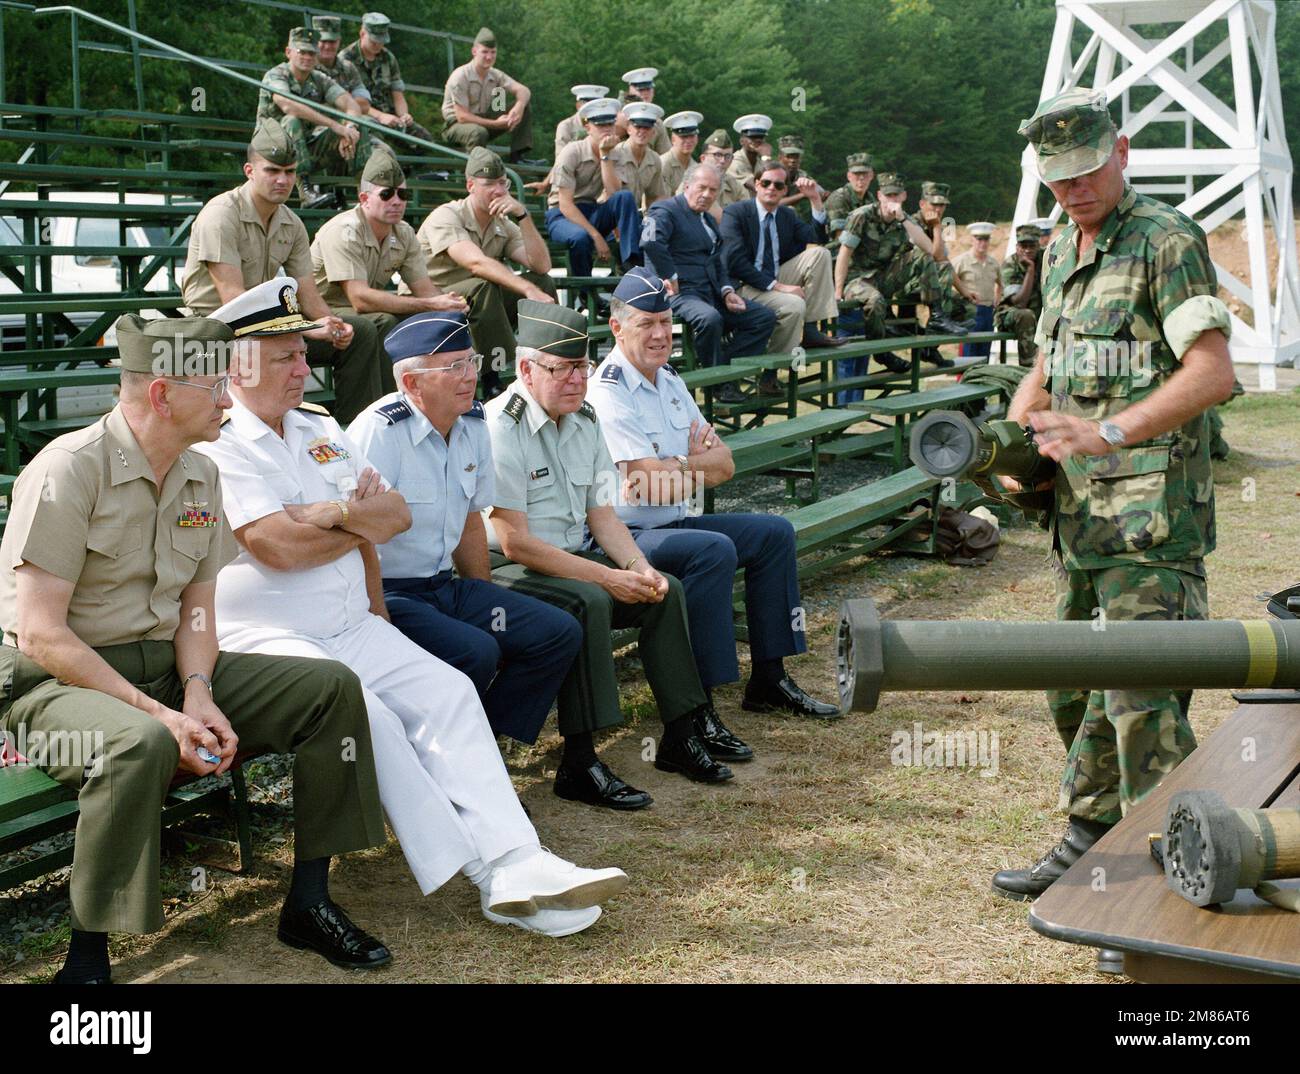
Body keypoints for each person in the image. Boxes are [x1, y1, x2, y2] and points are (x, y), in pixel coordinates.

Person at [197, 279, 629, 938]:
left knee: (449, 690)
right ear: (237, 364)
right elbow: (276, 546)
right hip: (268, 639)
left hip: (351, 622)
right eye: (285, 356)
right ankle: (491, 874)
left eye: (300, 354)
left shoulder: (316, 427)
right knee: (370, 714)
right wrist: (353, 519)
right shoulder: (220, 444)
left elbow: (392, 516)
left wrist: (335, 517)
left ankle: (517, 861)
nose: (303, 368)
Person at [0, 314, 393, 981]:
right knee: (139, 743)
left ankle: (308, 900)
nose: (224, 397)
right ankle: (87, 960)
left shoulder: (200, 474)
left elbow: (199, 612)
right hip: (56, 685)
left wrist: (199, 691)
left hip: (165, 669)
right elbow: (41, 632)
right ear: (160, 394)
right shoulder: (69, 470)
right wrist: (161, 715)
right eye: (213, 383)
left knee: (327, 688)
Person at [993, 88, 1236, 905]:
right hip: (1080, 522)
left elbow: (1212, 372)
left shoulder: (1167, 241)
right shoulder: (1061, 247)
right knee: (1074, 688)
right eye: (1059, 180)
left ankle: (1159, 889)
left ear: (1121, 151)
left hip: (1152, 522)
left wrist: (1111, 432)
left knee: (1144, 707)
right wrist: (1017, 428)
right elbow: (1048, 363)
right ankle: (1092, 835)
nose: (1075, 190)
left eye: (1088, 172)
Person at [485, 302, 739, 809]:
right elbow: (514, 541)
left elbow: (602, 516)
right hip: (508, 571)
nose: (578, 380)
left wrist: (638, 569)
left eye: (582, 366)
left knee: (665, 592)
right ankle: (579, 761)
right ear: (525, 370)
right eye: (562, 369)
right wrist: (606, 578)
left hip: (571, 558)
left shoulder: (584, 419)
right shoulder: (500, 426)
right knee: (591, 601)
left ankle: (681, 734)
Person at [589, 268, 840, 720]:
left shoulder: (668, 379)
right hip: (625, 537)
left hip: (672, 521)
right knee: (712, 549)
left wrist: (678, 466)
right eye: (646, 323)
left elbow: (724, 464)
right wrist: (682, 467)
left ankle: (769, 678)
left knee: (774, 533)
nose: (660, 333)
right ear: (617, 327)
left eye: (666, 322)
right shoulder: (609, 391)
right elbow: (646, 483)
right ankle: (699, 701)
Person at [347, 311, 582, 746]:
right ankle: (447, 761)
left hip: (444, 588)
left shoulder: (472, 423)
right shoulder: (381, 430)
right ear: (413, 384)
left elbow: (472, 519)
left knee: (556, 632)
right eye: (453, 366)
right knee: (476, 650)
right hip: (391, 593)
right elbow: (357, 535)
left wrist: (484, 597)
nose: (469, 375)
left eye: (471, 362)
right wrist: (376, 615)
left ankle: (483, 752)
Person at [181, 118, 386, 424]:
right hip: (216, 329)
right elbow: (233, 302)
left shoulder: (291, 222)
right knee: (273, 350)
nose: (282, 179)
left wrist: (330, 325)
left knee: (362, 332)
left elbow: (308, 294)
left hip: (268, 329)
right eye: (272, 171)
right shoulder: (221, 215)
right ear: (250, 171)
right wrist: (305, 329)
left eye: (289, 172)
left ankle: (354, 429)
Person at [311, 150, 468, 403]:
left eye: (402, 194)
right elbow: (360, 298)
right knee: (383, 321)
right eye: (386, 194)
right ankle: (380, 406)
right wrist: (431, 304)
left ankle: (446, 393)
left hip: (362, 312)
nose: (396, 201)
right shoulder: (344, 231)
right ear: (364, 198)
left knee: (447, 317)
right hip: (324, 313)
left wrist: (448, 305)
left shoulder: (404, 233)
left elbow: (425, 290)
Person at [414, 146, 556, 398]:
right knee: (486, 285)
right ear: (470, 185)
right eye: (489, 183)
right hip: (434, 299)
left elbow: (541, 265)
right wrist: (526, 288)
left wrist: (523, 216)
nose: (499, 191)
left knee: (541, 281)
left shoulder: (502, 223)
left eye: (503, 183)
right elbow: (475, 264)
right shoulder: (447, 215)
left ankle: (549, 361)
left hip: (478, 303)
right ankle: (494, 379)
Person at [641, 163, 776, 404]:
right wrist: (670, 275)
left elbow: (717, 261)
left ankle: (724, 370)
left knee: (763, 317)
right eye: (701, 187)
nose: (706, 195)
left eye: (713, 190)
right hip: (680, 293)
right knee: (709, 319)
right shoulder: (664, 209)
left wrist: (727, 291)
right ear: (686, 185)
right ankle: (718, 383)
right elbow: (651, 242)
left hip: (711, 292)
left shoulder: (708, 220)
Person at [834, 172, 968, 374]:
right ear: (879, 195)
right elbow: (844, 254)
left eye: (896, 196)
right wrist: (838, 290)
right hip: (857, 279)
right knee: (876, 300)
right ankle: (882, 352)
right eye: (888, 196)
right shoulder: (862, 216)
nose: (892, 200)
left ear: (904, 196)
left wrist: (903, 219)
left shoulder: (903, 220)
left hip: (883, 276)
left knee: (922, 256)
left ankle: (937, 316)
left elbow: (930, 250)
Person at [721, 158, 841, 367]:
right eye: (766, 183)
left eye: (778, 185)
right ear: (756, 184)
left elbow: (817, 237)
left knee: (820, 254)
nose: (771, 188)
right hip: (745, 285)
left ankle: (811, 328)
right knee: (794, 304)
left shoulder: (786, 215)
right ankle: (772, 371)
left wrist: (814, 200)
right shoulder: (736, 212)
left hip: (774, 277)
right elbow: (735, 263)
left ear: (785, 190)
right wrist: (779, 287)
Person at [256, 26, 374, 207]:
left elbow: (351, 105)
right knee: (291, 120)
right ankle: (305, 191)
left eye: (312, 53)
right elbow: (289, 106)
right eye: (302, 51)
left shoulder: (319, 79)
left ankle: (366, 191)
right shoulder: (276, 75)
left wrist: (349, 127)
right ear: (288, 52)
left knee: (360, 125)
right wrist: (336, 126)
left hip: (304, 148)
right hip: (270, 149)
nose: (307, 57)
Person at [544, 97, 644, 277]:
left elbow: (614, 194)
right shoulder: (572, 152)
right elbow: (565, 205)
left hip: (591, 210)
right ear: (587, 127)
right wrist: (597, 236)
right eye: (600, 125)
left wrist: (605, 155)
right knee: (580, 237)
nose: (606, 130)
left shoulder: (616, 151)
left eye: (610, 124)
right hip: (561, 215)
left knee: (625, 197)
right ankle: (585, 293)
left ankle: (631, 265)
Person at [440, 27, 537, 164]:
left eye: (493, 52)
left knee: (525, 105)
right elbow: (462, 117)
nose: (489, 57)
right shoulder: (460, 76)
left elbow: (524, 90)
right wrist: (496, 124)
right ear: (474, 52)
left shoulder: (494, 74)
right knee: (478, 133)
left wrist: (518, 108)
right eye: (484, 52)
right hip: (456, 126)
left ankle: (517, 157)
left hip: (482, 120)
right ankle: (479, 169)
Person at [340, 12, 435, 145]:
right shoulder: (345, 59)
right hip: (363, 115)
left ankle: (408, 166)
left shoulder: (388, 58)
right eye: (374, 41)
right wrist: (380, 116)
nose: (378, 45)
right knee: (375, 137)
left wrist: (404, 115)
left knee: (425, 140)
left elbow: (397, 94)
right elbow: (348, 101)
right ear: (362, 34)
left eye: (382, 41)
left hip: (390, 115)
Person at [526, 84, 609, 197]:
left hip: (596, 188)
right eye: (587, 104)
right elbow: (561, 160)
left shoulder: (608, 127)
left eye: (596, 104)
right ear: (578, 105)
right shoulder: (567, 126)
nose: (592, 108)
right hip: (571, 189)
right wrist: (546, 183)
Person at [994, 224, 1045, 367]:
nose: (1027, 250)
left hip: (1038, 312)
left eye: (1032, 246)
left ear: (1038, 246)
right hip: (1010, 314)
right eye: (1023, 246)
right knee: (1026, 315)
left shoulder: (1047, 259)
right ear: (1017, 247)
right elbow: (1019, 302)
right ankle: (1028, 368)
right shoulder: (1010, 265)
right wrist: (1030, 270)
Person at [610, 101, 671, 211]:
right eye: (638, 127)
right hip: (612, 213)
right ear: (628, 129)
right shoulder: (615, 155)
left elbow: (653, 197)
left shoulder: (655, 159)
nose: (642, 132)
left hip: (635, 214)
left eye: (647, 128)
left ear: (653, 132)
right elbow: (609, 195)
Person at [950, 221, 1000, 357]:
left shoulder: (993, 263)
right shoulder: (961, 261)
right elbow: (946, 282)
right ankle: (965, 378)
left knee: (984, 352)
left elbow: (1000, 284)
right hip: (970, 312)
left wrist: (997, 300)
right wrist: (959, 301)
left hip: (988, 312)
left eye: (986, 239)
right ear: (972, 239)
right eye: (979, 239)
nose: (982, 243)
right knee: (969, 351)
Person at [687, 130, 750, 223]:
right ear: (703, 158)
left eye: (727, 156)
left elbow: (747, 218)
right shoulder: (690, 183)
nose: (722, 161)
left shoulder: (736, 186)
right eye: (717, 155)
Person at [614, 67, 671, 153]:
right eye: (640, 89)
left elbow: (665, 155)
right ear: (630, 89)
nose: (645, 93)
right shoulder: (615, 115)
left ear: (653, 91)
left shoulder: (657, 123)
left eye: (648, 89)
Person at [824, 152, 875, 247]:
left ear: (871, 175)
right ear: (849, 176)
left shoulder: (869, 198)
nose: (861, 178)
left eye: (865, 173)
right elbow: (839, 239)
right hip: (838, 252)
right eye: (857, 173)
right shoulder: (838, 198)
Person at [773, 135, 827, 224]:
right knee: (790, 210)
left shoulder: (802, 175)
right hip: (761, 216)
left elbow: (821, 193)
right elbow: (773, 203)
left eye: (796, 157)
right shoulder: (772, 175)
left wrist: (820, 194)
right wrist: (802, 195)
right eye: (789, 156)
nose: (793, 160)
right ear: (780, 157)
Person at [659, 110, 703, 196]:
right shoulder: (663, 164)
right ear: (673, 139)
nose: (688, 141)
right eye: (683, 137)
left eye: (692, 136)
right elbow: (659, 200)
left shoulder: (696, 167)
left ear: (697, 139)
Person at [728, 114, 773, 193]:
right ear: (741, 141)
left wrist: (765, 158)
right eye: (752, 137)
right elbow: (761, 188)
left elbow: (773, 184)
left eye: (761, 137)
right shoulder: (734, 161)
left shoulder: (761, 162)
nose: (758, 140)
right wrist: (766, 156)